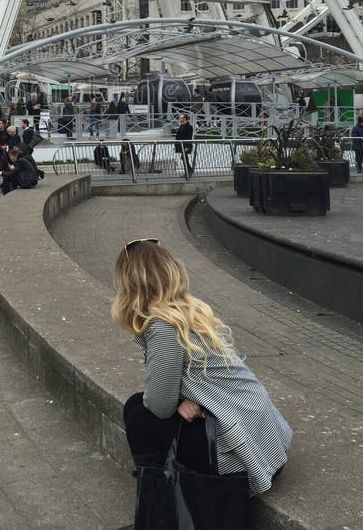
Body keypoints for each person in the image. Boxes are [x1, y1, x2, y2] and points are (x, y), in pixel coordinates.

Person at [112, 239, 291, 523]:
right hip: (266, 445)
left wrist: (175, 400)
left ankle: (165, 506)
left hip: (241, 459)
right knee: (140, 407)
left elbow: (159, 405)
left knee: (139, 416)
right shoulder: (191, 311)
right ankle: (163, 497)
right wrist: (184, 399)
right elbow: (200, 379)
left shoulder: (163, 328)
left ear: (130, 287)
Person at [174, 112, 194, 178]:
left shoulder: (189, 127)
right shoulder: (181, 126)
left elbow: (188, 138)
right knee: (184, 158)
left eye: (181, 118)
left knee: (184, 158)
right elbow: (178, 136)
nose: (179, 119)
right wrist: (175, 145)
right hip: (181, 145)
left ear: (185, 118)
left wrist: (187, 146)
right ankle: (189, 170)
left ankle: (188, 172)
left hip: (185, 146)